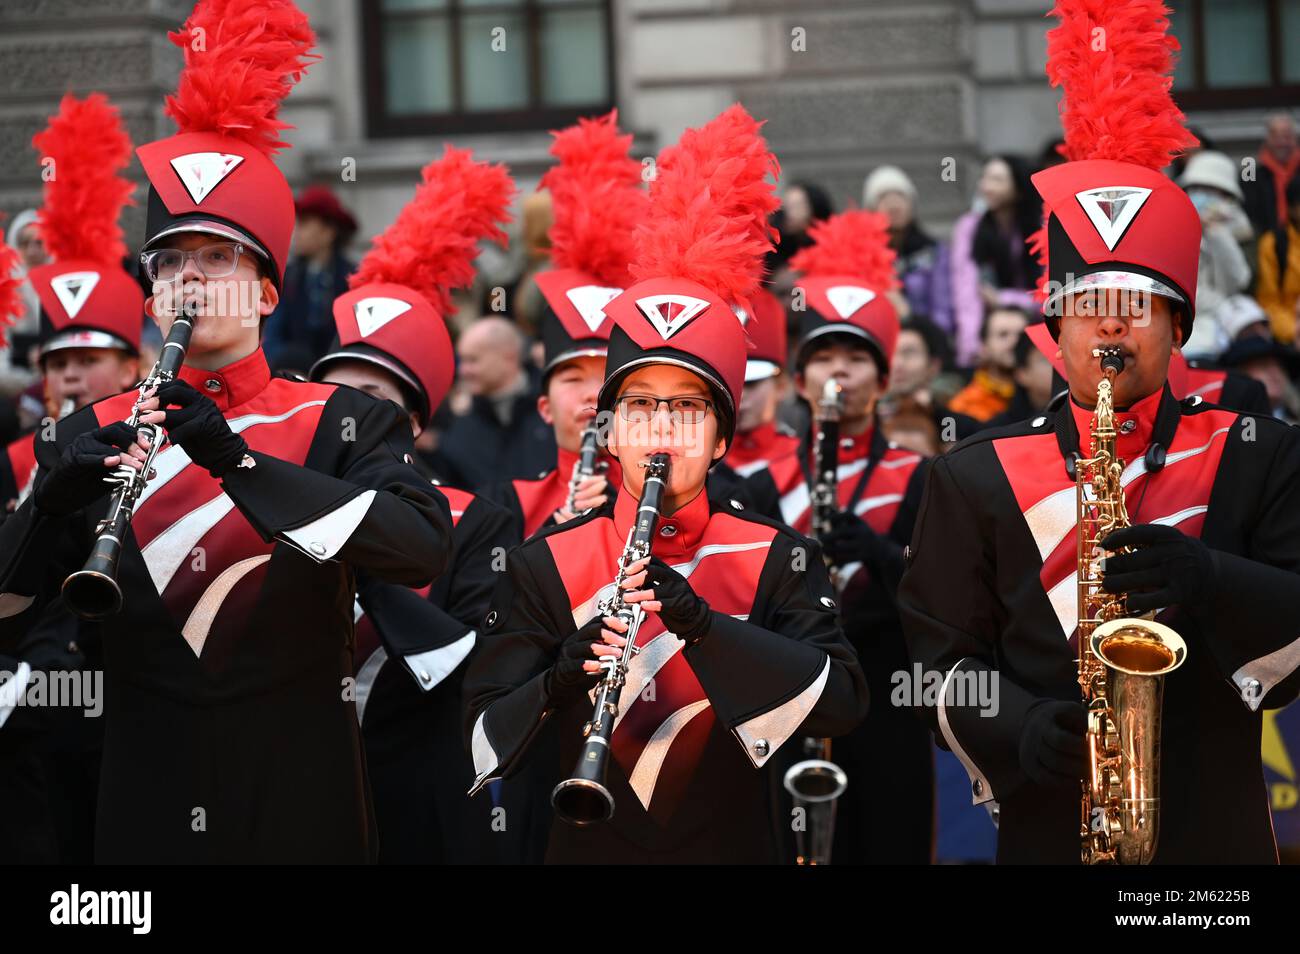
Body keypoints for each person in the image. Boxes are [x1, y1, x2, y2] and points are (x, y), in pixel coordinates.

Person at [0, 0, 452, 863]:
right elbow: (8, 617)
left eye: (217, 258)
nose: (190, 279)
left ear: (269, 293)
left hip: (302, 789)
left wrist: (235, 458)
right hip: (142, 790)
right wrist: (49, 507)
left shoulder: (344, 419)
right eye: (170, 261)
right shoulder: (92, 429)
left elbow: (420, 546)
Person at [900, 0, 1299, 863]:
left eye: (1137, 307)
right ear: (1053, 327)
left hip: (1215, 839)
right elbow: (933, 667)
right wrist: (1018, 725)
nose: (1109, 329)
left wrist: (1213, 579)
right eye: (1086, 306)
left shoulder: (1257, 452)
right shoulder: (972, 474)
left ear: (1180, 325)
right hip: (1050, 819)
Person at [463, 105, 866, 864]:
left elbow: (843, 702)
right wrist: (559, 676)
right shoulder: (541, 561)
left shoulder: (779, 556)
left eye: (686, 410)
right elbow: (481, 739)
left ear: (720, 440)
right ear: (608, 430)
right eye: (639, 407)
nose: (659, 428)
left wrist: (707, 628)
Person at [308, 146, 519, 863]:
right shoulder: (279, 497)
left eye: (372, 401)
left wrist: (364, 556)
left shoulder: (473, 519)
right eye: (335, 392)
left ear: (416, 425)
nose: (345, 413)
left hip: (423, 799)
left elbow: (470, 668)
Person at [739, 208, 934, 863]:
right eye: (824, 358)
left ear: (883, 381)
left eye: (857, 359)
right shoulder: (762, 483)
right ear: (798, 380)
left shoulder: (923, 475)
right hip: (792, 695)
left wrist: (882, 557)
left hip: (887, 696)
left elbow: (945, 596)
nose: (840, 374)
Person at [482, 111, 642, 540]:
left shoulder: (689, 499)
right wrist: (554, 540)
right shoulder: (505, 505)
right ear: (544, 406)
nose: (593, 393)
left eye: (608, 376)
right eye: (573, 377)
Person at [437, 317, 556, 488]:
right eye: (461, 360)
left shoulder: (553, 411)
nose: (462, 370)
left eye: (473, 360)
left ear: (508, 357)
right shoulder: (457, 425)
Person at [949, 155, 1042, 367]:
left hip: (1038, 334)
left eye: (997, 180)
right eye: (985, 178)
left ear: (1019, 188)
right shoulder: (970, 227)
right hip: (988, 337)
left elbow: (1051, 293)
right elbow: (966, 290)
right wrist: (970, 347)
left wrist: (1003, 298)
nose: (986, 186)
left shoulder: (1042, 227)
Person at [262, 185, 358, 372]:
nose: (296, 232)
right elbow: (272, 337)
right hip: (291, 376)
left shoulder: (352, 279)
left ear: (328, 232)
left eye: (305, 224)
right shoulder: (286, 277)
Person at [1177, 151, 1254, 360]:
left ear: (1226, 196)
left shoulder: (1242, 233)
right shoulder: (1172, 227)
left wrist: (1218, 233)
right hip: (1186, 328)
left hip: (1228, 330)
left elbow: (1239, 281)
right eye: (1195, 188)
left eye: (1210, 190)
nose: (1201, 195)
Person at [863, 164, 953, 331]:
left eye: (900, 196)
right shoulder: (861, 256)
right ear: (871, 209)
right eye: (884, 198)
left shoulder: (933, 251)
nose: (894, 205)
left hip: (924, 340)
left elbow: (943, 309)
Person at [948, 304, 1030, 421]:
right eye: (1003, 335)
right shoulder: (964, 406)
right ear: (984, 347)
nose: (1014, 341)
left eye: (1021, 335)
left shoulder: (1045, 394)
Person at [1256, 176, 1300, 344]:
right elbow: (1269, 303)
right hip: (1289, 335)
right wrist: (1293, 332)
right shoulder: (1273, 244)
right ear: (1291, 209)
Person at [1243, 112, 1299, 236]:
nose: (1282, 143)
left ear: (1295, 139)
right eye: (1276, 137)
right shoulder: (1251, 171)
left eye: (1287, 137)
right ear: (1267, 139)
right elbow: (1249, 211)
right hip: (1266, 241)